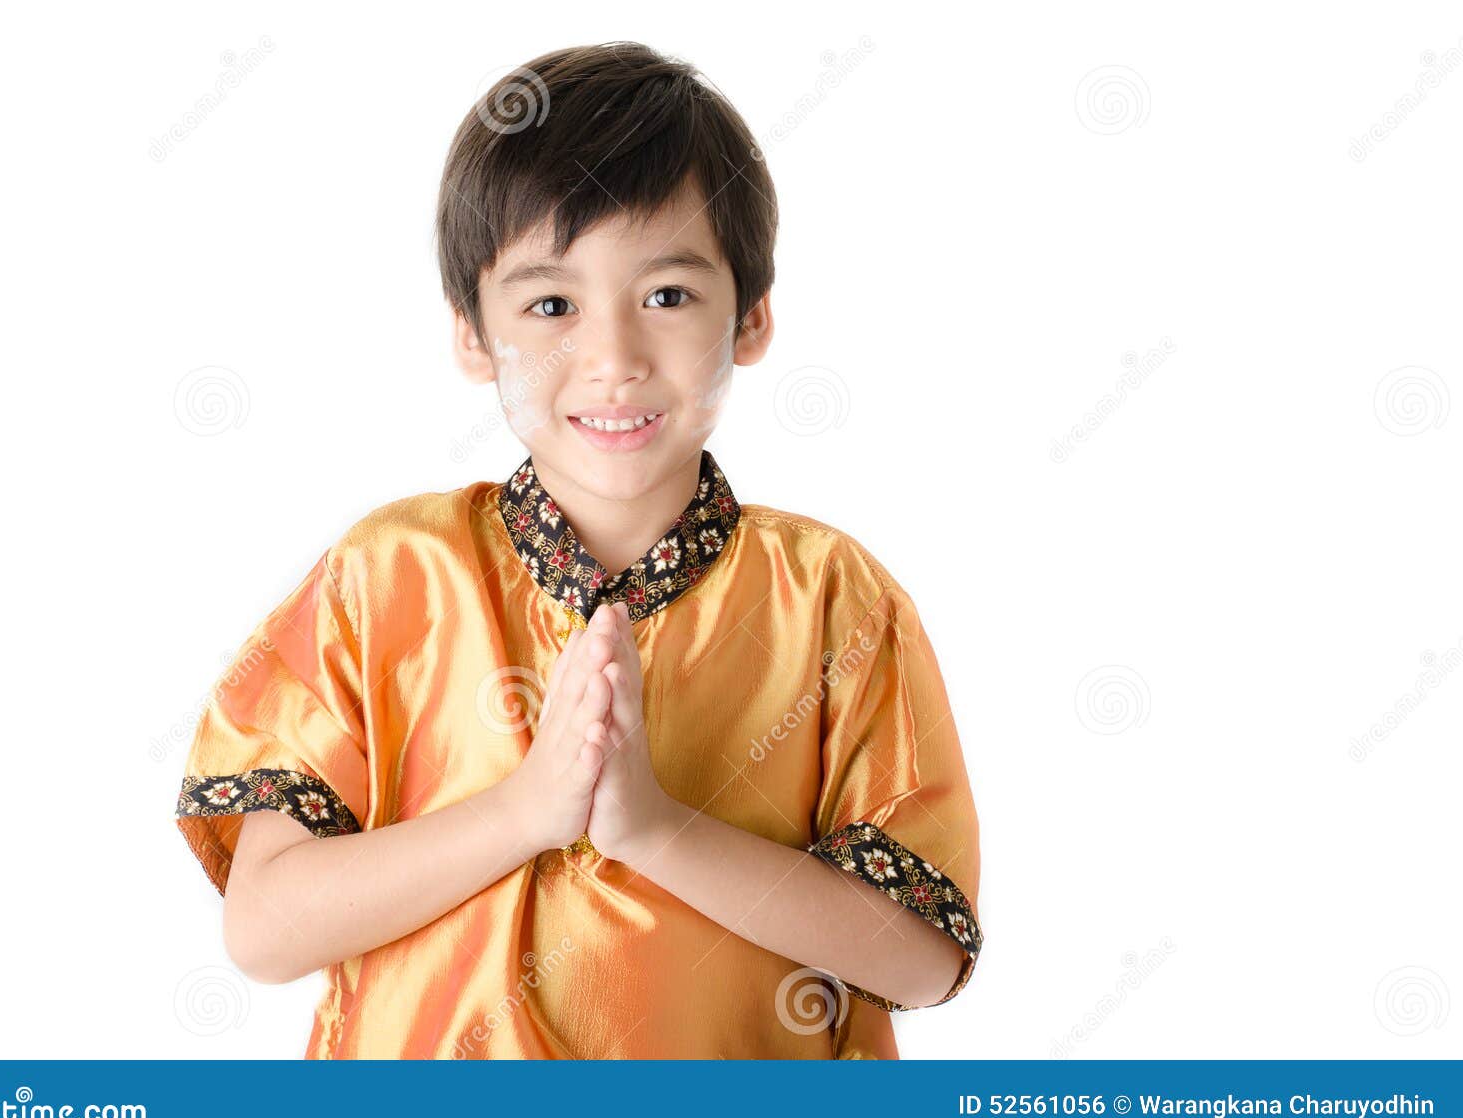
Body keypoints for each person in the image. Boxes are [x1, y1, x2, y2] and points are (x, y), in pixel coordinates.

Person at [173, 40, 983, 1059]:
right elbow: (263, 930)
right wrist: (525, 812)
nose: (611, 359)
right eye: (550, 305)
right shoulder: (386, 578)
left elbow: (921, 959)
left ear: (753, 316)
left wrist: (650, 826)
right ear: (474, 332)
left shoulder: (830, 597)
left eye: (668, 296)